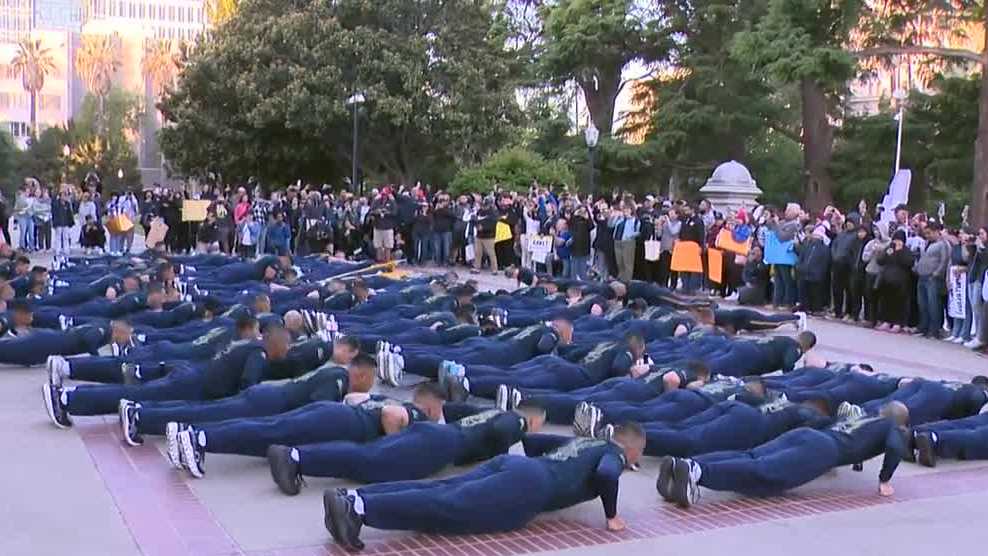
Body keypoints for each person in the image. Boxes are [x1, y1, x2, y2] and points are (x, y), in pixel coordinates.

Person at [322, 424, 646, 550]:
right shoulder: (614, 455)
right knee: (449, 507)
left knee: (443, 489)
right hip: (529, 487)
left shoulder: (589, 441)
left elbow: (534, 440)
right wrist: (612, 516)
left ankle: (352, 498)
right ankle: (359, 510)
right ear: (632, 449)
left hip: (515, 467)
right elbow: (606, 476)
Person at [658, 401, 910, 507]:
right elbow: (896, 446)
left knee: (750, 456)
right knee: (765, 472)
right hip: (823, 451)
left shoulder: (865, 416)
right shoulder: (893, 427)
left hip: (807, 435)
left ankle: (686, 464)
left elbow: (831, 426)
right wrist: (885, 478)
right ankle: (698, 472)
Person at [266, 402, 547, 493]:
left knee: (368, 457)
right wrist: (498, 460)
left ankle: (298, 457)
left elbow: (452, 407)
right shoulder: (516, 422)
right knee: (371, 464)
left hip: (435, 434)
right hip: (440, 445)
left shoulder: (495, 410)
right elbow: (501, 432)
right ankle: (295, 458)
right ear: (532, 419)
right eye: (538, 425)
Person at [914, 222, 950, 339]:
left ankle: (934, 330)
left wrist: (937, 274)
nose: (927, 235)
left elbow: (944, 260)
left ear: (936, 232)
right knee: (922, 304)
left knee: (933, 304)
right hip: (922, 276)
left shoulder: (943, 244)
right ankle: (924, 327)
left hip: (933, 278)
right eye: (925, 233)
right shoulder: (927, 243)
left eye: (929, 233)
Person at [876, 230, 915, 333]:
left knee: (899, 303)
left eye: (899, 240)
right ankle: (887, 321)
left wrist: (900, 251)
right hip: (887, 280)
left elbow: (908, 263)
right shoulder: (890, 249)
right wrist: (885, 252)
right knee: (886, 301)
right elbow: (880, 261)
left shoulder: (906, 251)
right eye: (895, 240)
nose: (896, 242)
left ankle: (898, 323)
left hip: (901, 282)